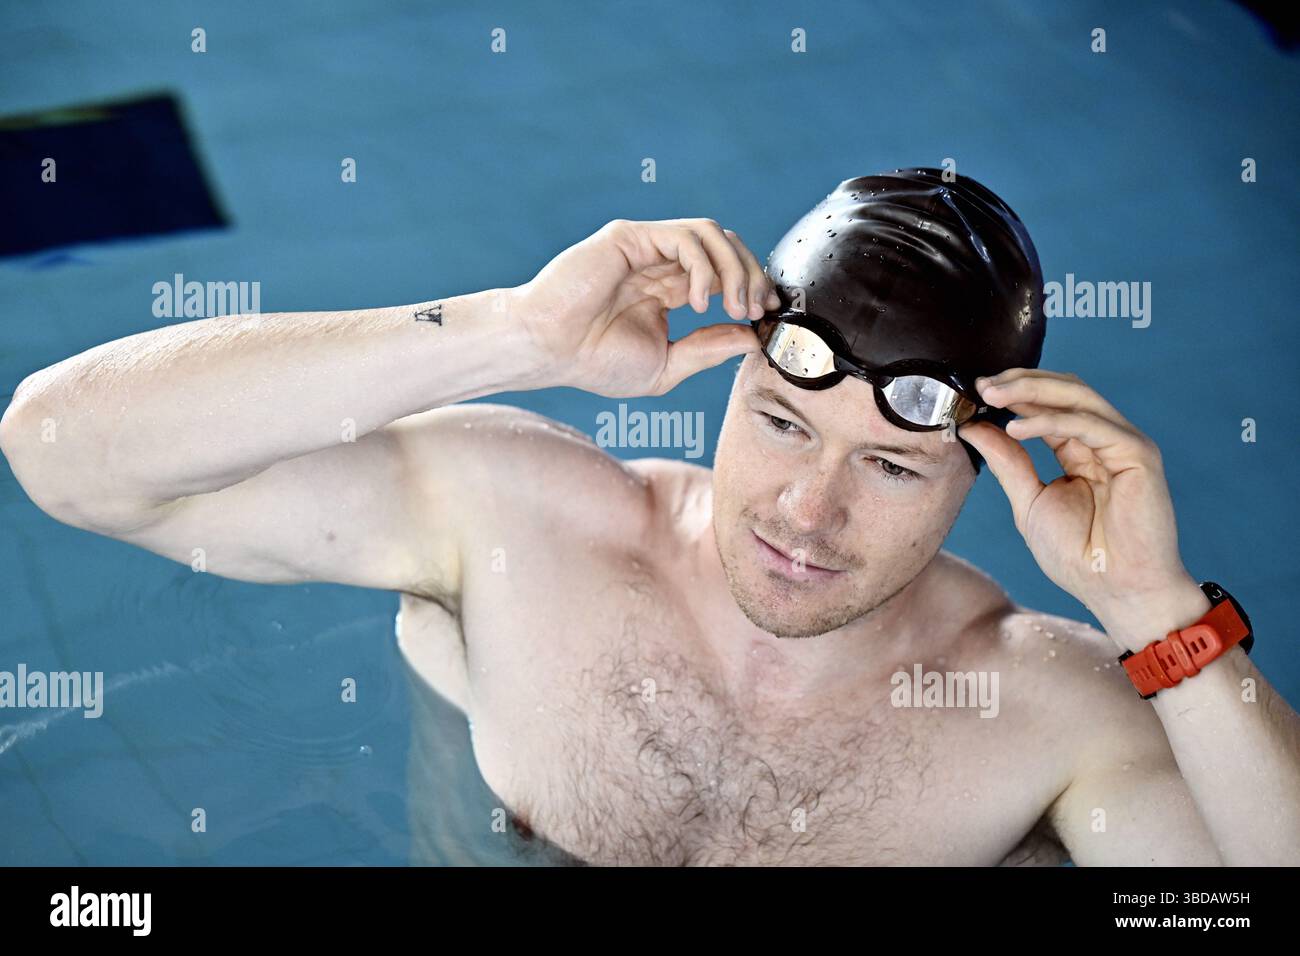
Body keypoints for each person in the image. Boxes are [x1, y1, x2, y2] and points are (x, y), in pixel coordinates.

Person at [3, 169, 1297, 866]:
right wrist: (512, 335)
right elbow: (65, 454)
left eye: (893, 470)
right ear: (732, 379)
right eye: (782, 424)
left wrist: (1155, 610)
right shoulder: (522, 527)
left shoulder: (1054, 711)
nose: (809, 509)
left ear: (984, 477)